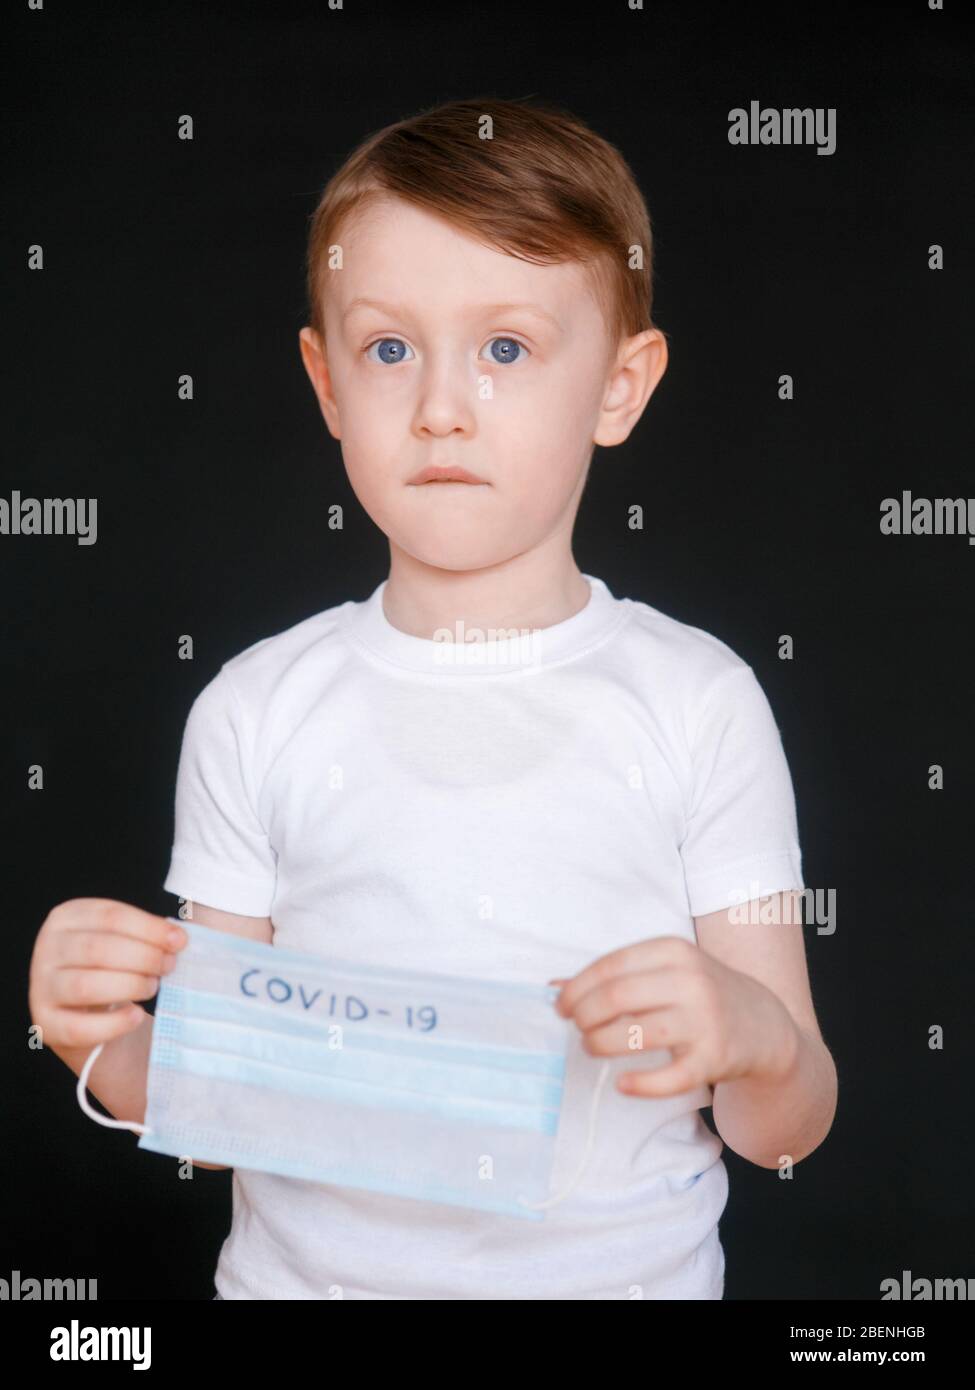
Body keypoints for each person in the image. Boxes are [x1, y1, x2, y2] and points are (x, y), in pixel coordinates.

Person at [28, 96, 837, 1300]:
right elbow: (218, 1112)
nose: (441, 405)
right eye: (390, 349)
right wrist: (97, 1037)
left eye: (506, 348)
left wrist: (755, 1032)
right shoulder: (256, 711)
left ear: (621, 386)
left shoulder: (700, 703)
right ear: (326, 382)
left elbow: (785, 1128)